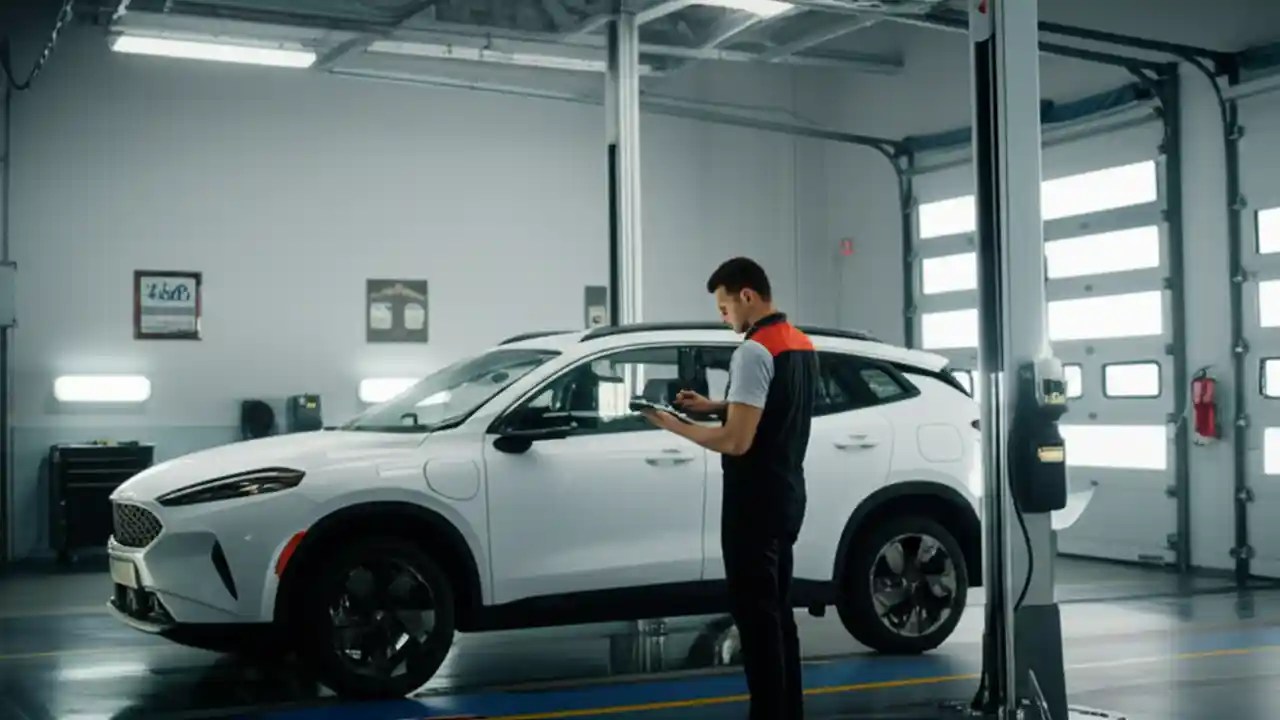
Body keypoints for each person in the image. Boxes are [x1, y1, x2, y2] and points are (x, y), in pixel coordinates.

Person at [640, 256, 817, 720]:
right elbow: (774, 408)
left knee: (756, 622)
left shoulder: (753, 351)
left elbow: (737, 441)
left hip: (752, 504)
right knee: (779, 617)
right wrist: (717, 404)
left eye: (724, 308)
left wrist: (671, 424)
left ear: (746, 296)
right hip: (787, 494)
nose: (723, 318)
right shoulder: (799, 344)